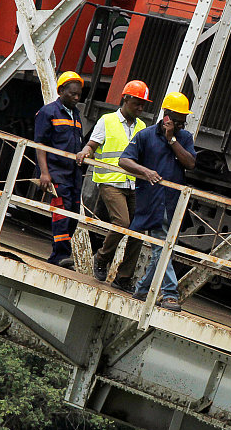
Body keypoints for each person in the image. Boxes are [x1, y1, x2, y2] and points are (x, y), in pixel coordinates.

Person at [118, 91, 196, 311]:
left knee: (163, 249)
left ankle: (142, 289)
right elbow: (124, 160)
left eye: (183, 119)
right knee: (163, 246)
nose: (182, 123)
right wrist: (146, 172)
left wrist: (172, 139)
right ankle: (170, 294)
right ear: (167, 116)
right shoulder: (146, 136)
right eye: (178, 118)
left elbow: (190, 163)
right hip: (152, 201)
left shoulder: (184, 138)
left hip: (174, 204)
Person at [80, 80, 150, 288]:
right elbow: (92, 145)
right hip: (110, 181)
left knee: (137, 230)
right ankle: (101, 258)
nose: (140, 108)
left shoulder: (141, 126)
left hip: (132, 184)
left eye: (143, 104)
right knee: (122, 224)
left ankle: (123, 278)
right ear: (125, 99)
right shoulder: (107, 121)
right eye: (137, 103)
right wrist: (85, 152)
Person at [34, 71, 88, 269]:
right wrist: (45, 173)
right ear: (61, 91)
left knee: (73, 213)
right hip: (57, 172)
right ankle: (61, 254)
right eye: (72, 94)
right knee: (61, 212)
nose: (76, 97)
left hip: (74, 173)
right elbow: (40, 144)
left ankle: (58, 254)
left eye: (79, 95)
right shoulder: (48, 112)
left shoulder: (76, 114)